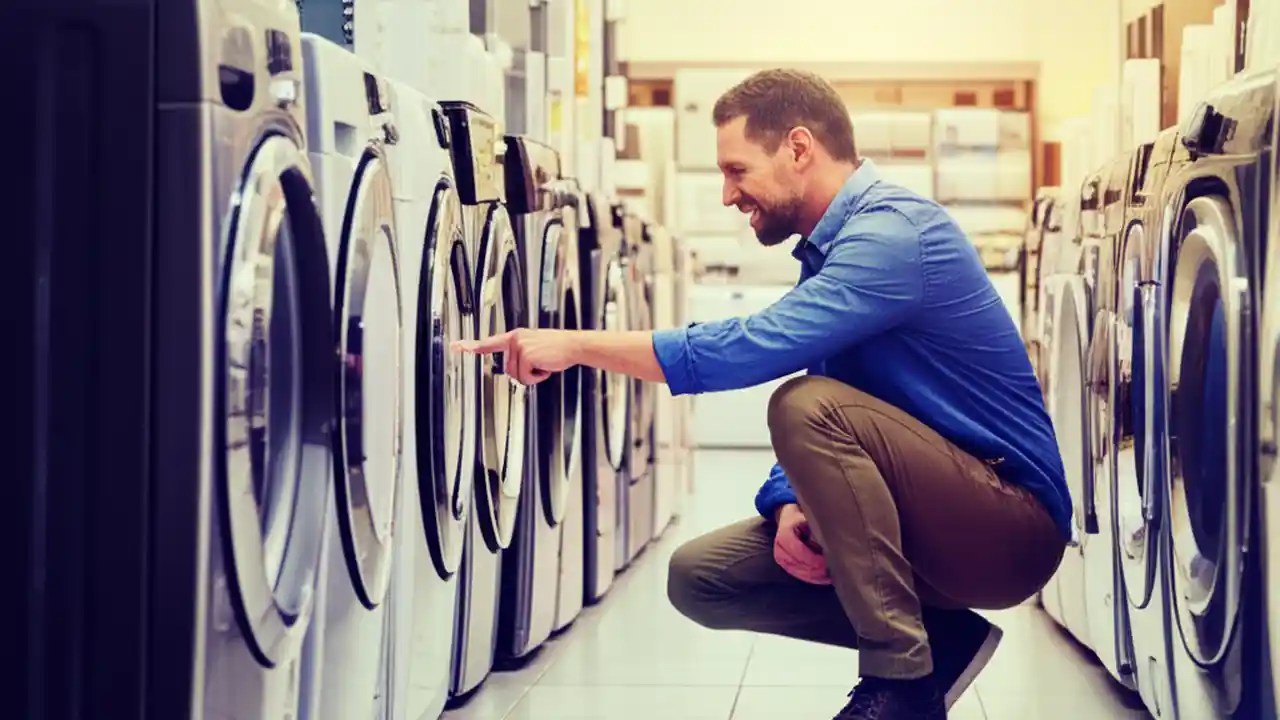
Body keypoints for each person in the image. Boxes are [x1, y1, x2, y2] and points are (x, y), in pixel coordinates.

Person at [455, 68, 1070, 720]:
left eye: (737, 170)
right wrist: (786, 504)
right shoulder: (832, 251)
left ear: (799, 148)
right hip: (934, 518)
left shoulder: (893, 236)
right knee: (703, 578)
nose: (727, 194)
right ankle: (942, 645)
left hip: (1010, 527)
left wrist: (578, 345)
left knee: (800, 408)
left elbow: (753, 352)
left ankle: (903, 688)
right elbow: (832, 381)